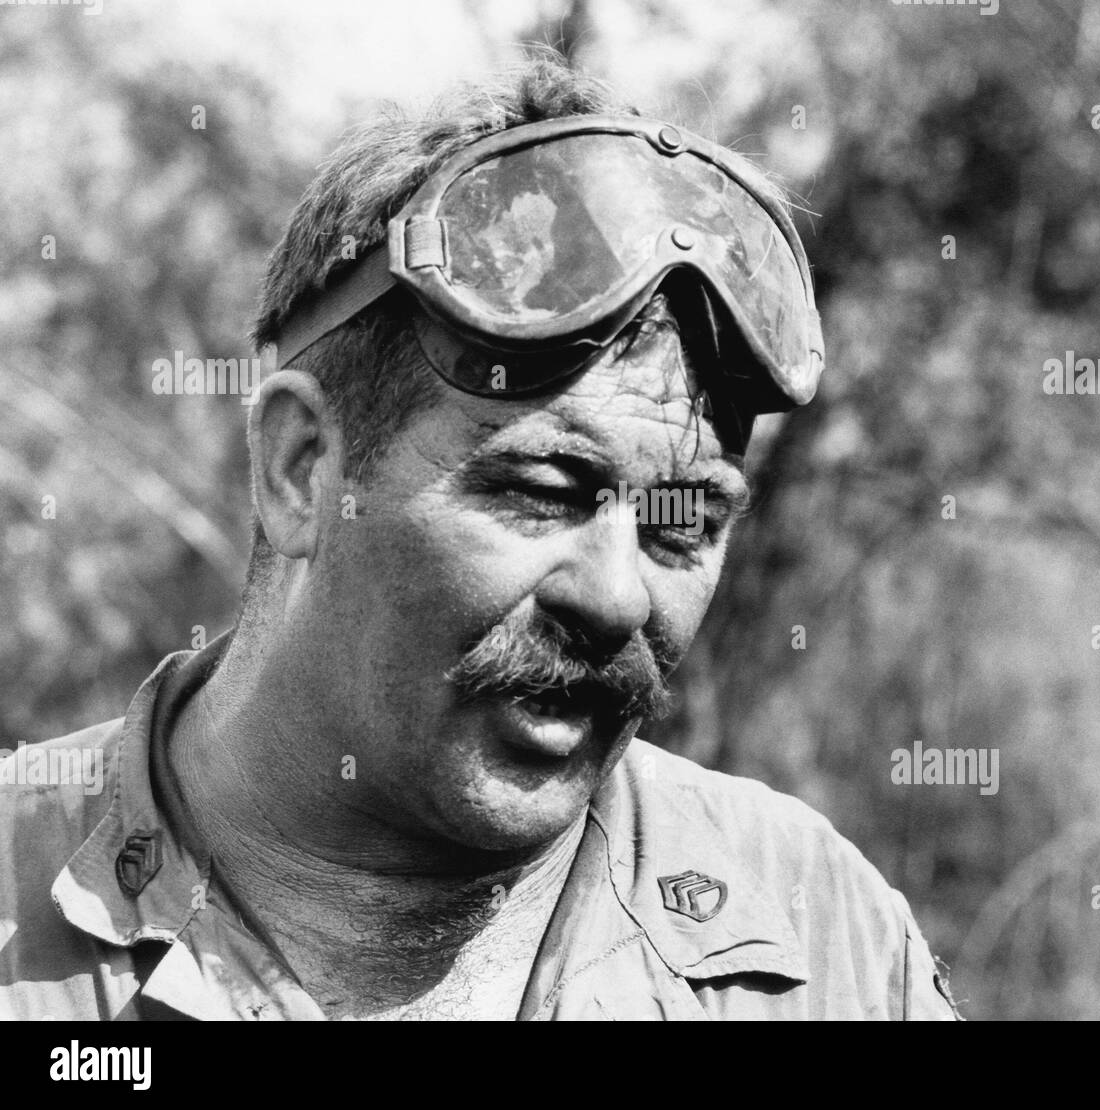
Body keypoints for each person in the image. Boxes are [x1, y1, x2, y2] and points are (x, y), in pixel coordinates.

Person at [0, 57, 960, 1021]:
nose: (618, 597)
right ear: (301, 471)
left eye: (686, 518)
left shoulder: (813, 932)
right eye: (545, 490)